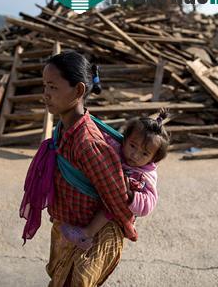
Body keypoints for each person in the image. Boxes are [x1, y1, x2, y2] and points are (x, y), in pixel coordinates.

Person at [38, 50, 137, 286]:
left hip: (88, 239)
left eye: (53, 87)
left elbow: (118, 199)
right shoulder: (62, 132)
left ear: (79, 90)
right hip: (66, 229)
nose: (46, 94)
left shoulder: (88, 143)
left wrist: (127, 229)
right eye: (44, 86)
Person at [59, 110, 170, 250]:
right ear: (125, 139)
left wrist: (130, 195)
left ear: (153, 159)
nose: (135, 155)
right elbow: (100, 138)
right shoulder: (116, 147)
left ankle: (87, 234)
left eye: (144, 153)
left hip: (118, 209)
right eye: (132, 146)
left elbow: (149, 202)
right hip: (97, 195)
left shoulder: (145, 175)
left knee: (109, 207)